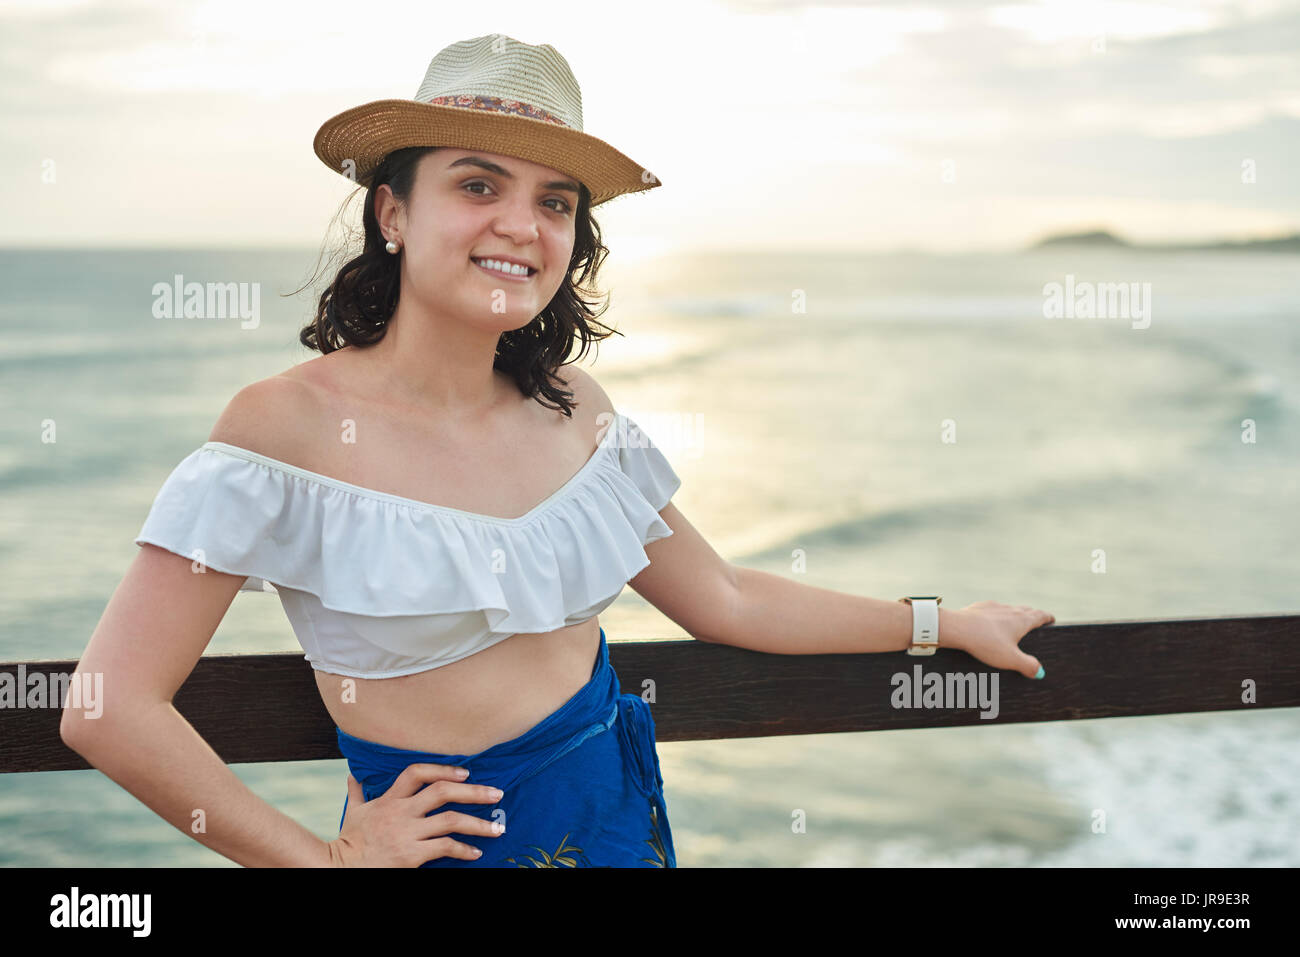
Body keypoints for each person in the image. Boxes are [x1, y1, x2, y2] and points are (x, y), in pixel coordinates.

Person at [59, 34, 1054, 869]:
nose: (519, 225)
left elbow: (728, 599)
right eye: (478, 184)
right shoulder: (285, 430)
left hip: (621, 815)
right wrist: (327, 862)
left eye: (554, 202)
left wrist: (943, 622)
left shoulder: (574, 407)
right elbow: (106, 707)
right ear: (393, 213)